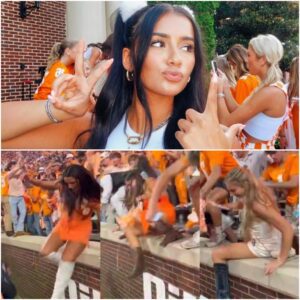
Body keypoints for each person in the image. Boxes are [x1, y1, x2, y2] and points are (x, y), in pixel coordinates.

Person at [2, 3, 206, 150]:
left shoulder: (210, 137)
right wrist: (58, 108)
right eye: (158, 43)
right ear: (128, 59)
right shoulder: (93, 129)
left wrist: (214, 154)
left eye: (187, 47)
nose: (176, 58)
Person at [177, 34, 288, 150]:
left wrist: (219, 92)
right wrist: (225, 86)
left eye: (249, 55)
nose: (246, 59)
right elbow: (238, 111)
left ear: (263, 60)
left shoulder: (270, 93)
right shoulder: (269, 87)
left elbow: (226, 123)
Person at [211, 167, 295, 299]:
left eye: (234, 190)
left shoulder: (256, 204)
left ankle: (222, 297)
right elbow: (242, 203)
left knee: (217, 254)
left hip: (265, 247)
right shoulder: (255, 191)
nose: (232, 194)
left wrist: (280, 260)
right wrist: (227, 206)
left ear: (244, 184)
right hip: (264, 243)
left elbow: (287, 229)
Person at [28, 165, 101, 299]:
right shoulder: (64, 186)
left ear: (82, 180)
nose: (70, 186)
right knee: (45, 253)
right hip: (64, 225)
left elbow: (101, 209)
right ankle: (66, 263)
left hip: (81, 228)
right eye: (67, 183)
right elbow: (45, 184)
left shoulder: (92, 192)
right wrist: (31, 181)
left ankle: (56, 297)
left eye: (72, 182)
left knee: (67, 260)